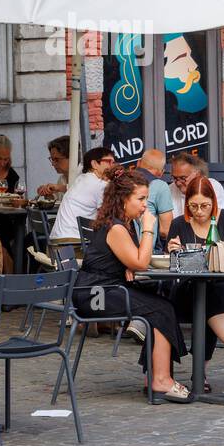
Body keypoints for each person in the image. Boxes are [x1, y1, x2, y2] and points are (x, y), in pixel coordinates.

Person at [72, 167, 190, 403]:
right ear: (122, 199)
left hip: (105, 286)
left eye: (146, 198)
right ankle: (160, 380)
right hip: (95, 294)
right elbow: (141, 260)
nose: (145, 205)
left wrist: (128, 264)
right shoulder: (116, 227)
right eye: (141, 199)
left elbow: (133, 262)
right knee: (160, 309)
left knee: (164, 302)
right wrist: (148, 227)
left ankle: (155, 376)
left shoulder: (121, 223)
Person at [166, 177, 224, 373]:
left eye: (205, 205)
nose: (199, 211)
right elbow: (171, 266)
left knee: (207, 298)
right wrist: (172, 251)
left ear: (213, 201)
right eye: (193, 206)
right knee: (204, 296)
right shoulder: (179, 224)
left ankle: (200, 374)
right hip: (189, 288)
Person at [49, 147, 116, 243]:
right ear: (94, 164)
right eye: (109, 162)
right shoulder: (100, 185)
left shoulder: (81, 179)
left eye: (113, 162)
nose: (112, 166)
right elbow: (109, 216)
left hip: (57, 242)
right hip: (72, 245)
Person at [168, 152, 224, 218]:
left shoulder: (213, 186)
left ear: (198, 174)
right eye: (175, 178)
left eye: (183, 178)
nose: (178, 183)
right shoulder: (170, 189)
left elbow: (220, 218)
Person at [134, 149, 174, 244]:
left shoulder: (122, 181)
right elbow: (166, 230)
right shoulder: (160, 185)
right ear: (161, 172)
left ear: (138, 163)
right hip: (146, 247)